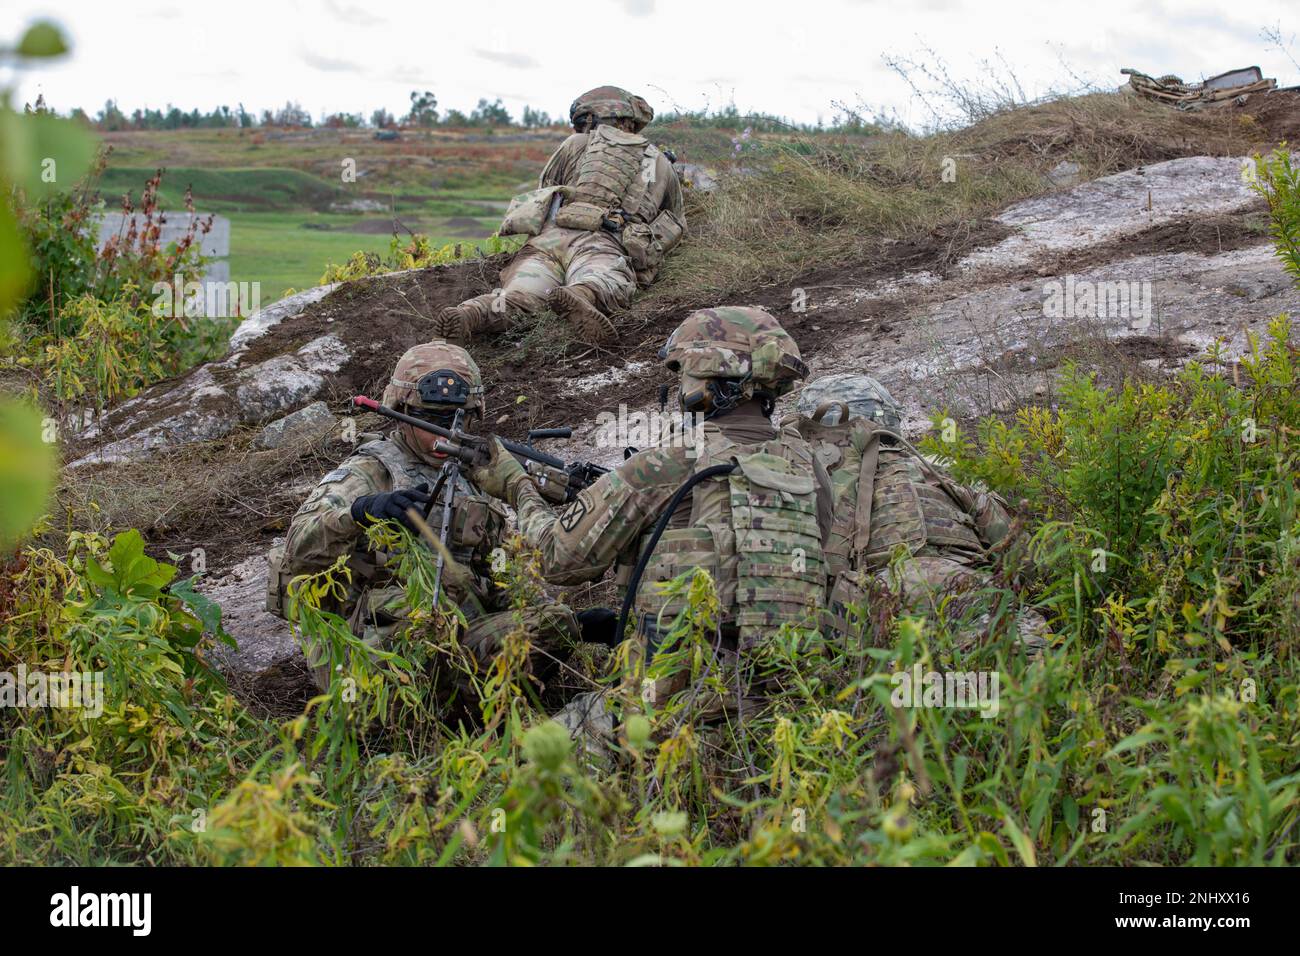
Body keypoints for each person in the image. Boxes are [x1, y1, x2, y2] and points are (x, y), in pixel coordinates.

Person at [468, 306, 834, 736]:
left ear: (708, 383)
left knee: (526, 764)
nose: (680, 386)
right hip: (782, 709)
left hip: (668, 710)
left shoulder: (668, 462)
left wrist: (516, 487)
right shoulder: (808, 464)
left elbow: (559, 559)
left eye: (684, 374)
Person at [265, 340, 589, 693]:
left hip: (453, 640)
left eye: (456, 419)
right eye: (430, 419)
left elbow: (501, 573)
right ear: (401, 411)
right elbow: (299, 546)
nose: (443, 432)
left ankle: (477, 711)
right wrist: (361, 513)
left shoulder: (473, 476)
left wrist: (562, 622)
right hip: (377, 658)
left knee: (556, 623)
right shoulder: (370, 470)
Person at [793, 373, 1049, 651]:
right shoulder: (941, 468)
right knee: (1031, 663)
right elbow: (1022, 559)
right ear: (890, 419)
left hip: (876, 599)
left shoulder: (813, 484)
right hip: (961, 585)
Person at [433, 86, 686, 345]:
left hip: (548, 241)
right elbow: (675, 225)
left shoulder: (574, 144)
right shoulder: (658, 162)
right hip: (603, 244)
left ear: (591, 120)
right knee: (602, 281)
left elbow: (545, 193)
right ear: (630, 122)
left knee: (519, 296)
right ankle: (581, 294)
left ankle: (471, 313)